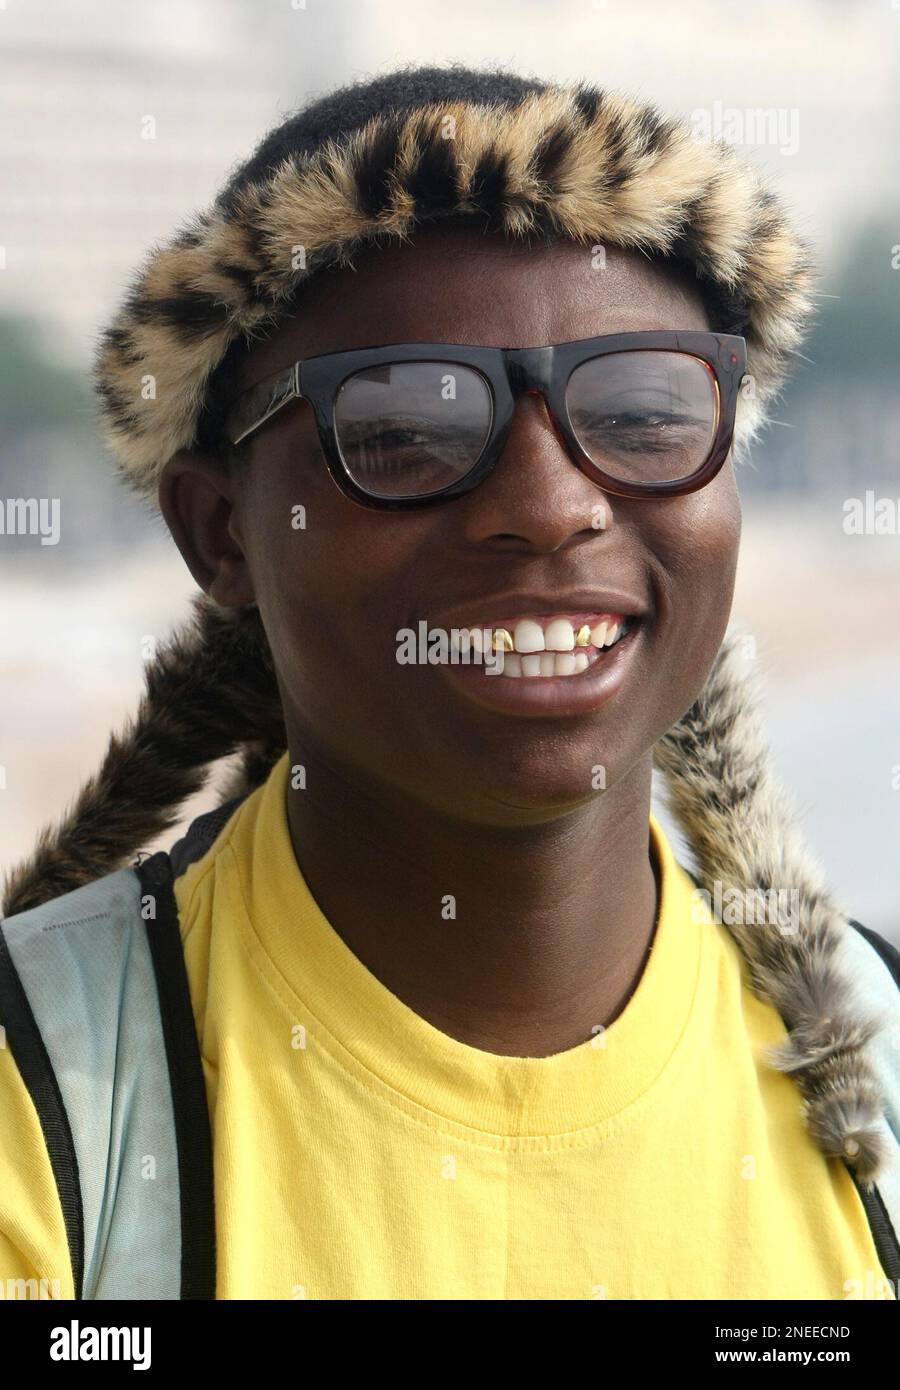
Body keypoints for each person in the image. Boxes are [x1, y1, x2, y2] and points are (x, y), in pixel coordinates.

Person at [1, 64, 899, 1302]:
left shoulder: (879, 1084)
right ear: (221, 536)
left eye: (642, 409)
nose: (550, 506)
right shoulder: (42, 1102)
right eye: (404, 428)